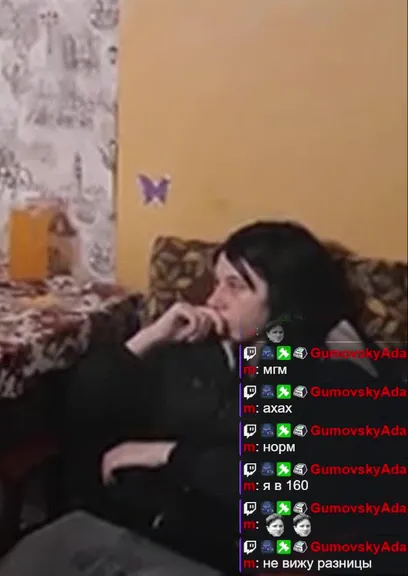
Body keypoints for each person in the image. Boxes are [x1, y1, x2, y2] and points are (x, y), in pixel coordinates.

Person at [53, 220, 404, 572]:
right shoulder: (208, 345)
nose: (214, 300)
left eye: (235, 287)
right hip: (170, 523)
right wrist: (151, 337)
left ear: (285, 298)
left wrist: (167, 454)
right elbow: (86, 405)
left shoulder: (332, 361)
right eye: (217, 282)